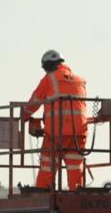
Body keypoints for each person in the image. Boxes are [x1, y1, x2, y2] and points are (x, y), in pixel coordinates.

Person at [21, 49, 88, 190]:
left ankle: (41, 194)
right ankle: (78, 194)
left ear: (47, 66)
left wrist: (24, 116)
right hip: (79, 134)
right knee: (76, 168)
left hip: (56, 134)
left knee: (48, 166)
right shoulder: (80, 81)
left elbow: (35, 101)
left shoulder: (50, 79)